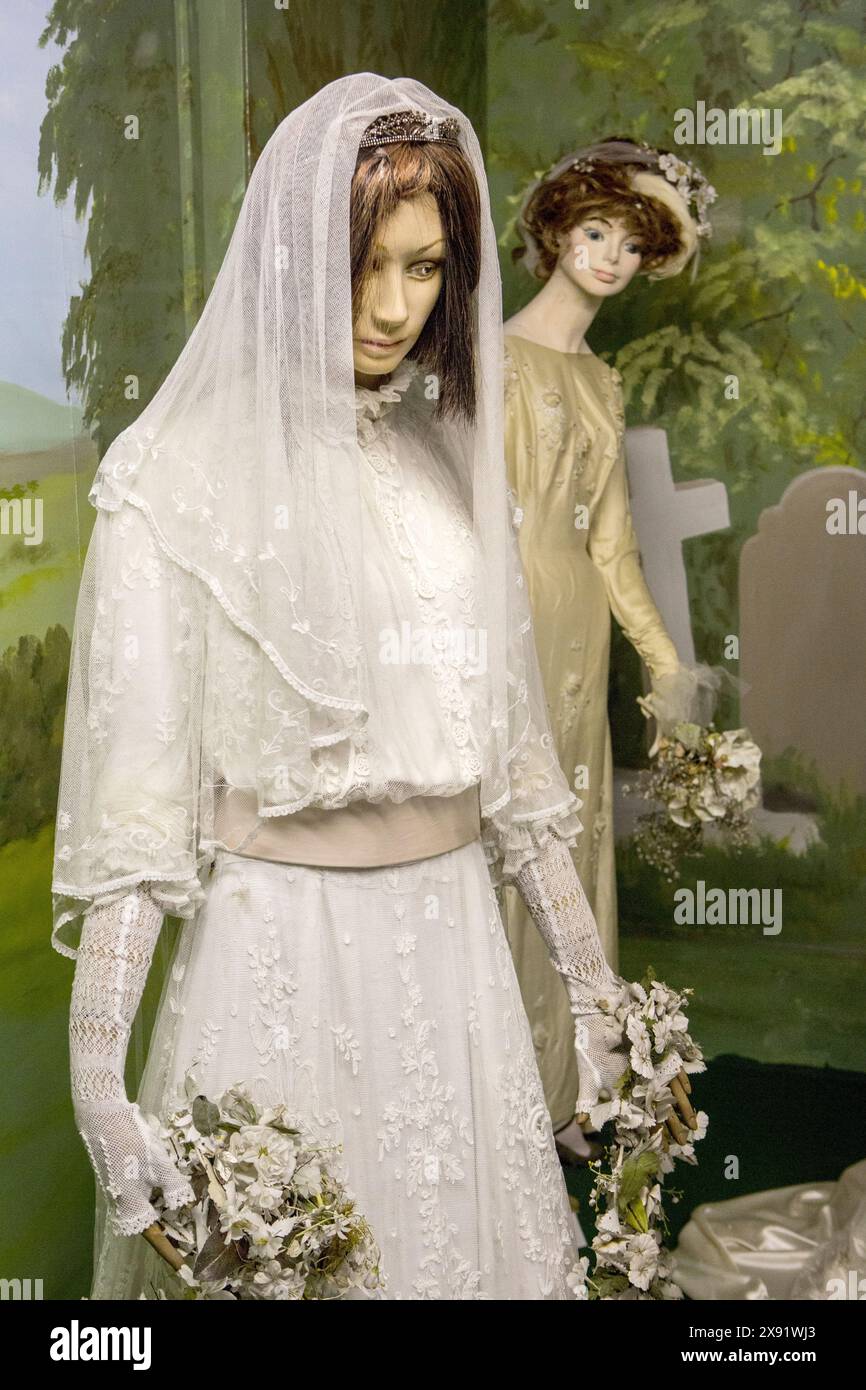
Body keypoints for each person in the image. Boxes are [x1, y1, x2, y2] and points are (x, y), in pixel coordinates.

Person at [52, 79, 695, 1301]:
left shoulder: (446, 473)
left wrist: (594, 987)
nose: (394, 309)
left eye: (426, 268)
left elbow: (512, 774)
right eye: (365, 266)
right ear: (296, 249)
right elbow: (136, 829)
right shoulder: (173, 482)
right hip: (276, 967)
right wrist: (98, 1085)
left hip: (455, 973)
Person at [499, 139, 715, 1155]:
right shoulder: (486, 358)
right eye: (594, 232)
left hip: (580, 629)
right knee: (502, 847)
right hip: (499, 627)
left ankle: (567, 1093)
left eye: (631, 245)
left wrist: (667, 665)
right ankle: (488, 1096)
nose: (609, 257)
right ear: (553, 231)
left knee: (573, 846)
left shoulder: (601, 381)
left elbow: (614, 544)